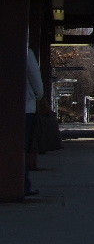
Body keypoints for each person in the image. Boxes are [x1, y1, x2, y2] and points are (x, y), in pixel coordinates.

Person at [24, 47, 44, 197]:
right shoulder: (26, 52)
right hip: (26, 109)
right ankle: (23, 184)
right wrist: (38, 96)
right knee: (22, 148)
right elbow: (36, 81)